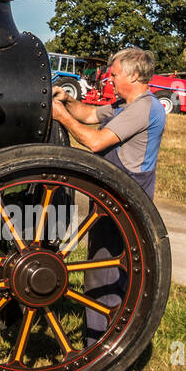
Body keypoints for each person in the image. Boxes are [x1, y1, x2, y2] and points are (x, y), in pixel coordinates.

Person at [50, 46, 167, 345]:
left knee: (105, 271)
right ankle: (106, 338)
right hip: (110, 198)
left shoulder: (144, 108)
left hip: (126, 200)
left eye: (114, 75)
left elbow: (95, 141)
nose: (109, 79)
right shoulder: (124, 105)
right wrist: (68, 100)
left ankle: (103, 344)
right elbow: (89, 114)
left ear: (134, 75)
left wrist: (61, 116)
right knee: (100, 268)